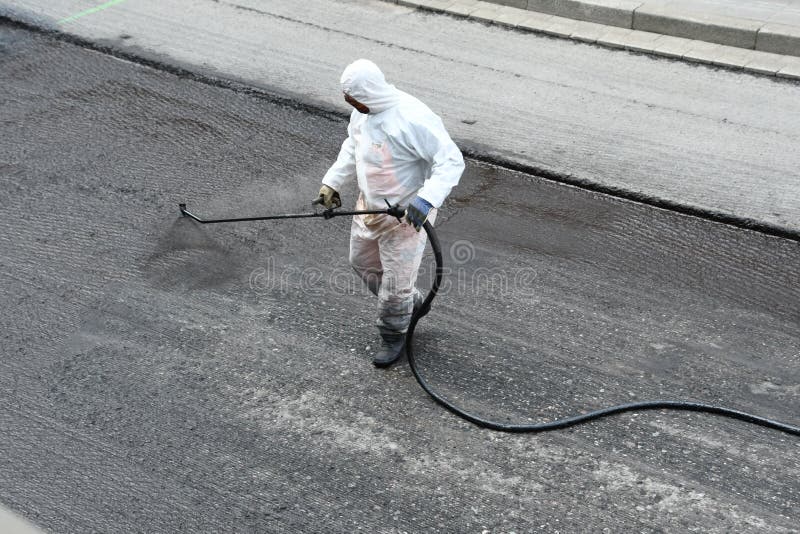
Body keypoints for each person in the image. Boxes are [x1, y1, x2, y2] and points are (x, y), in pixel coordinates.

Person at [317, 58, 465, 368]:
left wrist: (426, 200)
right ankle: (409, 304)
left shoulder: (413, 118)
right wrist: (331, 181)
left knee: (395, 285)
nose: (351, 104)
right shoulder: (362, 113)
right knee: (362, 263)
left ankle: (394, 332)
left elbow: (451, 161)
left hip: (407, 216)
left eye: (353, 99)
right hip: (369, 207)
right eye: (349, 100)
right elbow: (352, 146)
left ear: (368, 92)